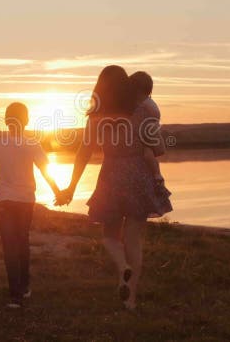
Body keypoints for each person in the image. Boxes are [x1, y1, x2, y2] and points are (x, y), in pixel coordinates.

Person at [58, 65, 167, 310]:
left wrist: (72, 186)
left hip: (111, 176)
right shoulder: (143, 110)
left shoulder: (97, 115)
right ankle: (130, 300)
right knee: (134, 241)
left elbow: (84, 152)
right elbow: (158, 148)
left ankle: (122, 267)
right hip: (139, 175)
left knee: (109, 236)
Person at [0, 102, 62, 309]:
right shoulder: (32, 144)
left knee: (10, 245)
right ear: (26, 120)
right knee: (22, 241)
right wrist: (58, 192)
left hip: (6, 201)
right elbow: (45, 171)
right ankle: (24, 286)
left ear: (6, 121)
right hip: (26, 200)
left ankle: (16, 294)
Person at [129, 71, 173, 215]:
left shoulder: (141, 105)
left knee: (147, 152)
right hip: (151, 127)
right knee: (150, 153)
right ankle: (157, 175)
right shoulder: (149, 102)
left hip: (148, 128)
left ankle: (156, 175)